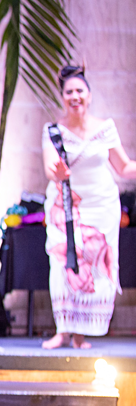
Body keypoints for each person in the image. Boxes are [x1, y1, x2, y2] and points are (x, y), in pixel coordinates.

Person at [41, 66, 136, 349]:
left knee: (93, 264)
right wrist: (57, 172)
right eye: (69, 92)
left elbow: (124, 167)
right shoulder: (53, 131)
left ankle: (80, 335)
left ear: (89, 96)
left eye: (79, 91)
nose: (74, 96)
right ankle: (62, 330)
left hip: (101, 206)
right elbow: (49, 167)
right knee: (62, 261)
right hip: (66, 205)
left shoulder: (105, 128)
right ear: (63, 97)